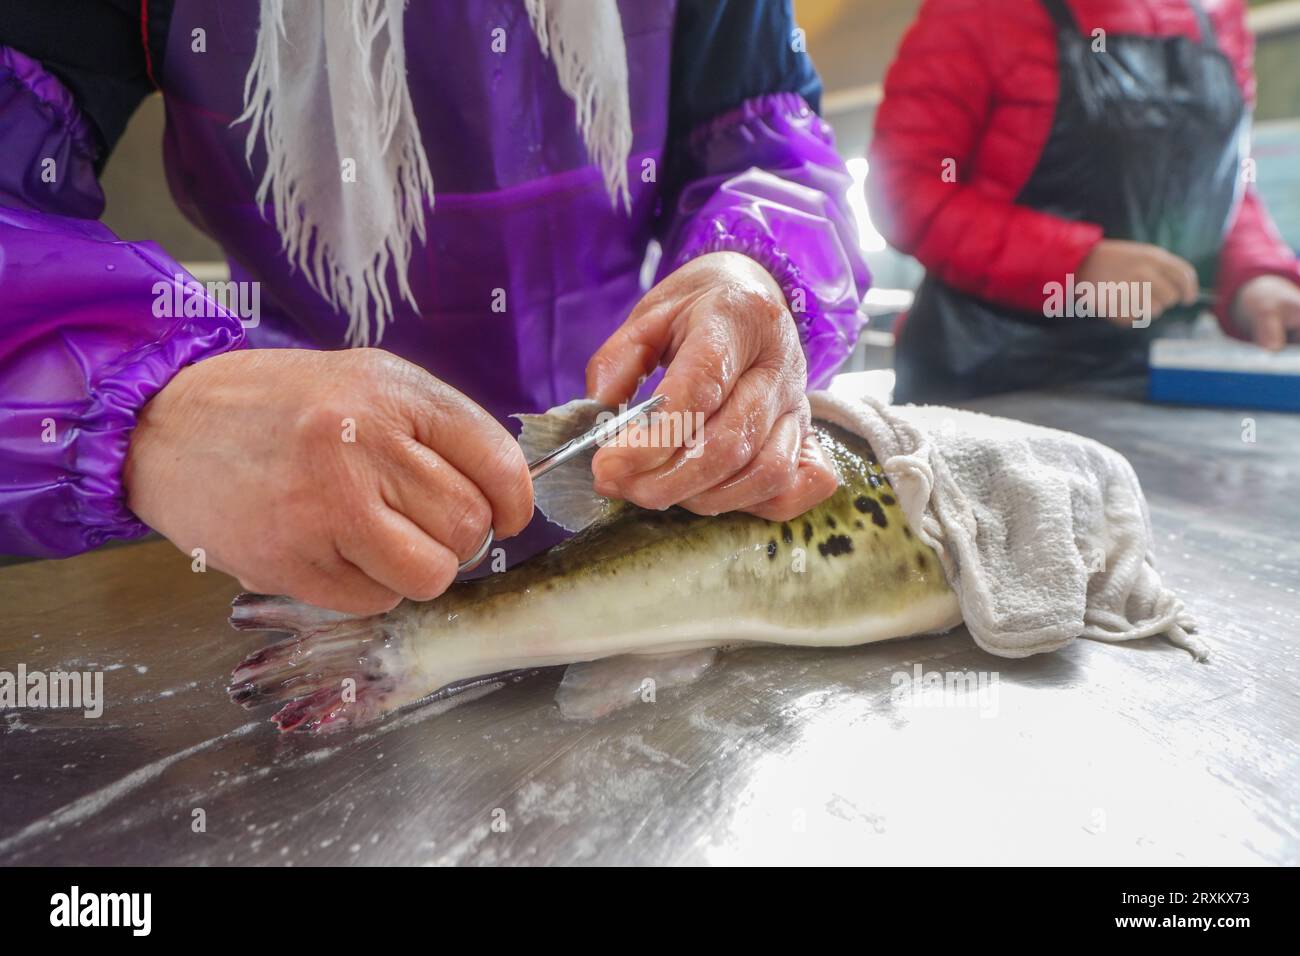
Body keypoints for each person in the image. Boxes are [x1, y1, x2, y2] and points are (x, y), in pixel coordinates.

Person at [0, 1, 869, 613]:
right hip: (274, 512)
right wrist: (152, 412)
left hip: (641, 484)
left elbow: (763, 139)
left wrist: (757, 273)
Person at [867, 0, 1300, 403]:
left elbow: (1221, 179)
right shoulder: (979, 11)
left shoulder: (1219, 15)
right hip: (993, 378)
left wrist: (1254, 277)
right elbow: (903, 189)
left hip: (1158, 376)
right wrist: (1075, 263)